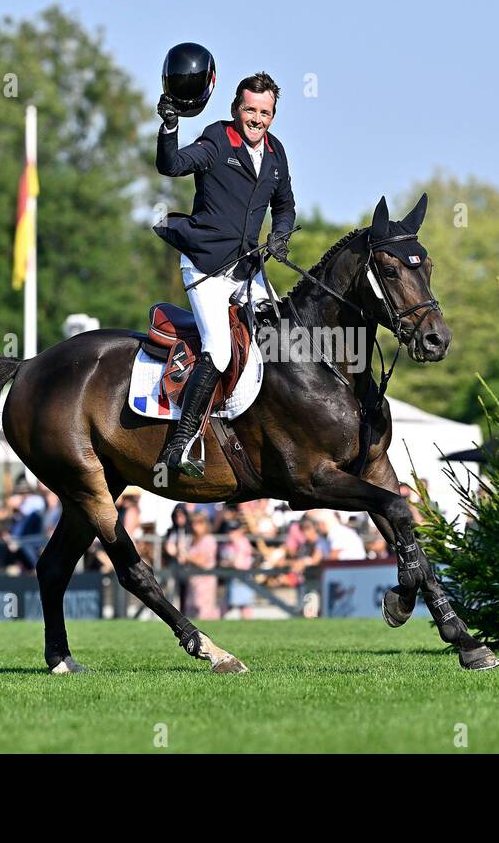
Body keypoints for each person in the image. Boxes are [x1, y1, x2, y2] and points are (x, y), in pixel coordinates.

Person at [152, 68, 297, 477]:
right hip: (207, 267)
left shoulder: (276, 153)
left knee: (281, 336)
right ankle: (178, 445)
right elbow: (173, 165)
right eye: (250, 110)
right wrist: (169, 125)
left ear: (273, 115)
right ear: (237, 108)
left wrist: (280, 235)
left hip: (247, 269)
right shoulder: (218, 138)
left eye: (265, 112)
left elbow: (284, 206)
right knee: (217, 347)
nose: (257, 119)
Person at [183, 511, 220, 620]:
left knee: (204, 612)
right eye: (193, 523)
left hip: (205, 581)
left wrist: (186, 556)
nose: (195, 526)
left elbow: (203, 562)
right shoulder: (192, 540)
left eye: (199, 523)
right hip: (193, 580)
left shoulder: (209, 540)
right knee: (191, 612)